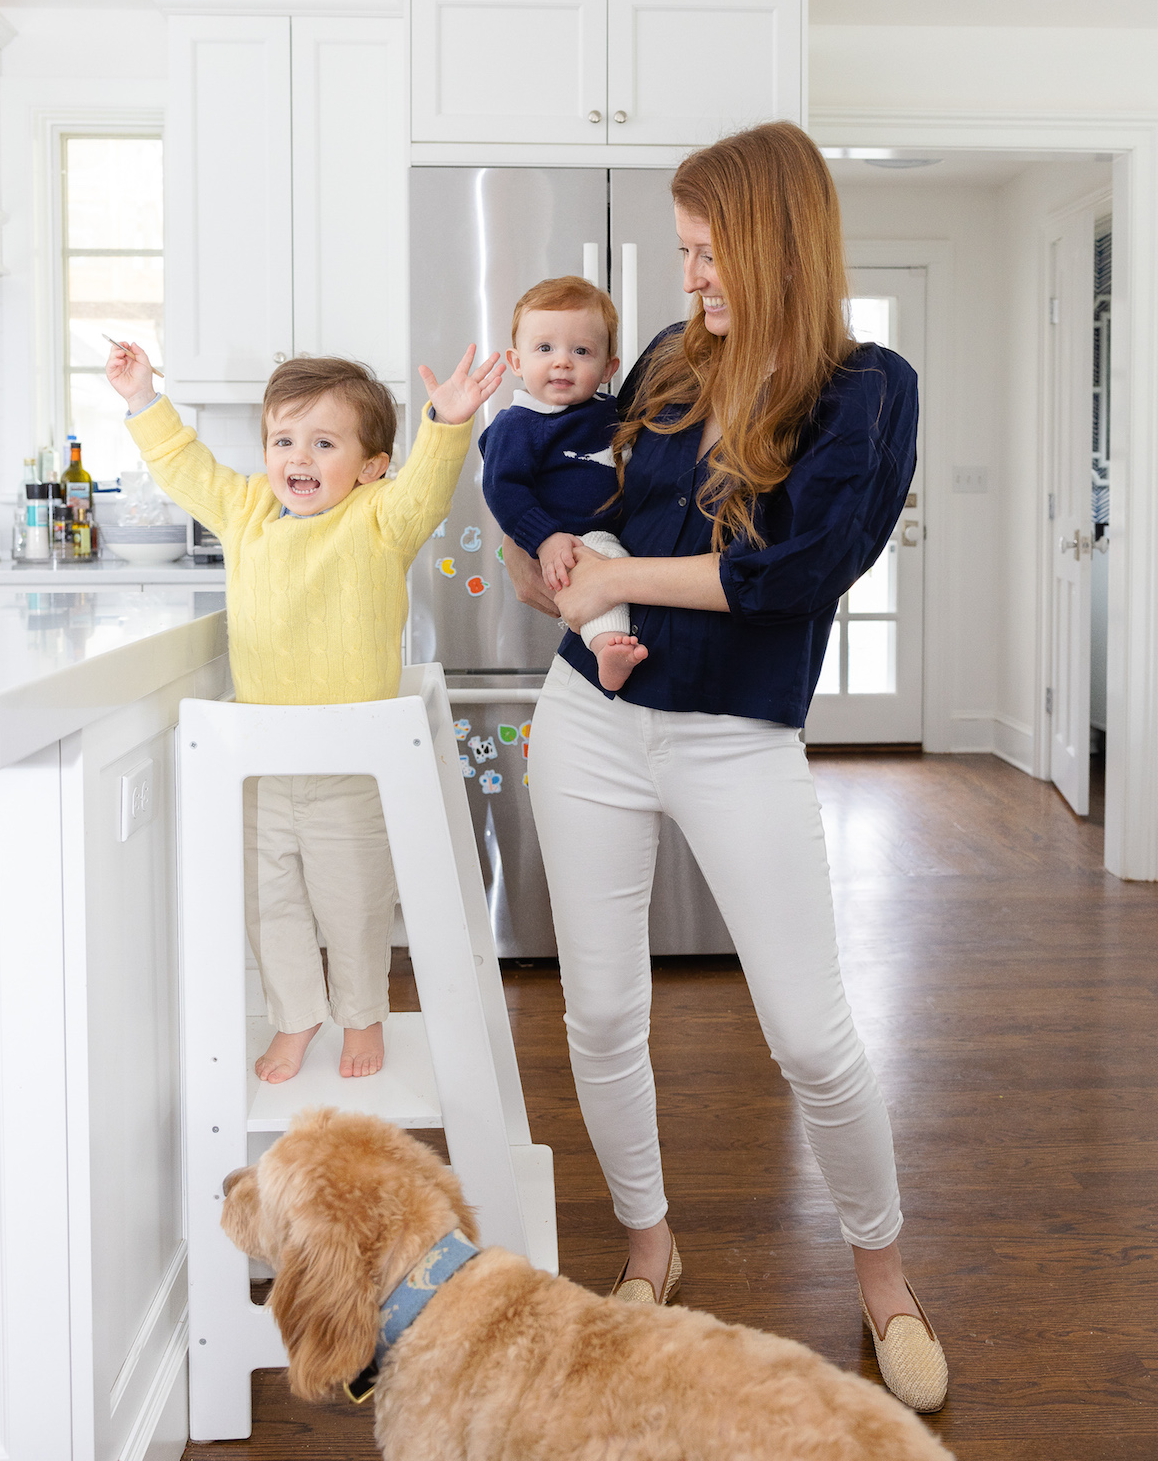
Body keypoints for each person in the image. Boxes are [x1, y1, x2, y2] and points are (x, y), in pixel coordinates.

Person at [502, 122, 947, 1413]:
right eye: (683, 251)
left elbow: (795, 573)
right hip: (589, 713)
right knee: (598, 1015)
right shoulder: (660, 361)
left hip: (734, 734)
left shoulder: (868, 388)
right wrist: (557, 572)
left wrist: (625, 573)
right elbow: (589, 514)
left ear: (773, 240)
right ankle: (651, 1245)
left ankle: (885, 1282)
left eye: (707, 251)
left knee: (811, 1035)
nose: (688, 277)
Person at [107, 342, 503, 1083]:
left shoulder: (381, 517)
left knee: (354, 908)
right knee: (270, 906)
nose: (299, 457)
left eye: (324, 443)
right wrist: (141, 401)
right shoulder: (247, 508)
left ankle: (361, 1016)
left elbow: (428, 491)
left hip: (352, 772)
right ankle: (297, 1016)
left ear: (371, 464)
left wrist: (448, 426)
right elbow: (185, 467)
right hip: (260, 769)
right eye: (283, 440)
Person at [478, 276, 648, 691]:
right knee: (599, 565)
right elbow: (504, 489)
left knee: (616, 568)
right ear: (516, 362)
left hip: (621, 538)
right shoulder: (518, 424)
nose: (562, 362)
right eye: (545, 348)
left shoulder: (613, 413)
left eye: (581, 351)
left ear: (609, 368)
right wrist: (546, 538)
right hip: (570, 540)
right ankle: (607, 648)